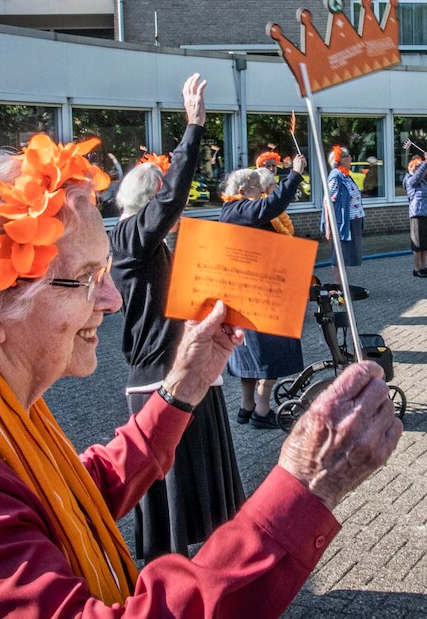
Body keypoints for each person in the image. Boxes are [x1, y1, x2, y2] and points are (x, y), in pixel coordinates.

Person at [0, 126, 401, 615]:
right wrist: (303, 486)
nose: (110, 299)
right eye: (84, 279)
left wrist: (182, 386)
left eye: (107, 271)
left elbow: (75, 494)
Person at [110, 75, 245, 561]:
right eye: (166, 203)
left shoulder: (154, 245)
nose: (177, 213)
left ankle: (213, 563)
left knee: (208, 485)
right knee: (171, 488)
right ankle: (169, 585)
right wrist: (193, 128)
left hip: (190, 374)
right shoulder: (130, 238)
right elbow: (171, 201)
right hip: (156, 381)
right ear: (150, 202)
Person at [218, 155, 310, 430]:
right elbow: (273, 205)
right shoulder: (242, 209)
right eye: (259, 186)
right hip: (258, 294)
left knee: (249, 354)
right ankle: (262, 410)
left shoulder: (233, 211)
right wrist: (294, 174)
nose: (263, 190)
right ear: (244, 190)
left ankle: (246, 408)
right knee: (269, 352)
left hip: (245, 292)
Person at [323, 145, 365, 267]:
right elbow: (327, 202)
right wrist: (328, 227)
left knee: (347, 256)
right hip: (343, 223)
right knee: (339, 256)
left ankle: (343, 284)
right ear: (341, 159)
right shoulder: (336, 177)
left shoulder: (346, 175)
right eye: (348, 156)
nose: (351, 158)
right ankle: (337, 284)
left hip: (353, 221)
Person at [405, 152, 427, 277]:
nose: (420, 169)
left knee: (425, 243)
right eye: (417, 166)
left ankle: (423, 267)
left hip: (426, 213)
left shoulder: (423, 182)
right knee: (418, 244)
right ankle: (416, 268)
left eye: (420, 166)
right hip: (417, 214)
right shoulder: (410, 180)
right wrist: (426, 163)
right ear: (412, 167)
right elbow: (416, 178)